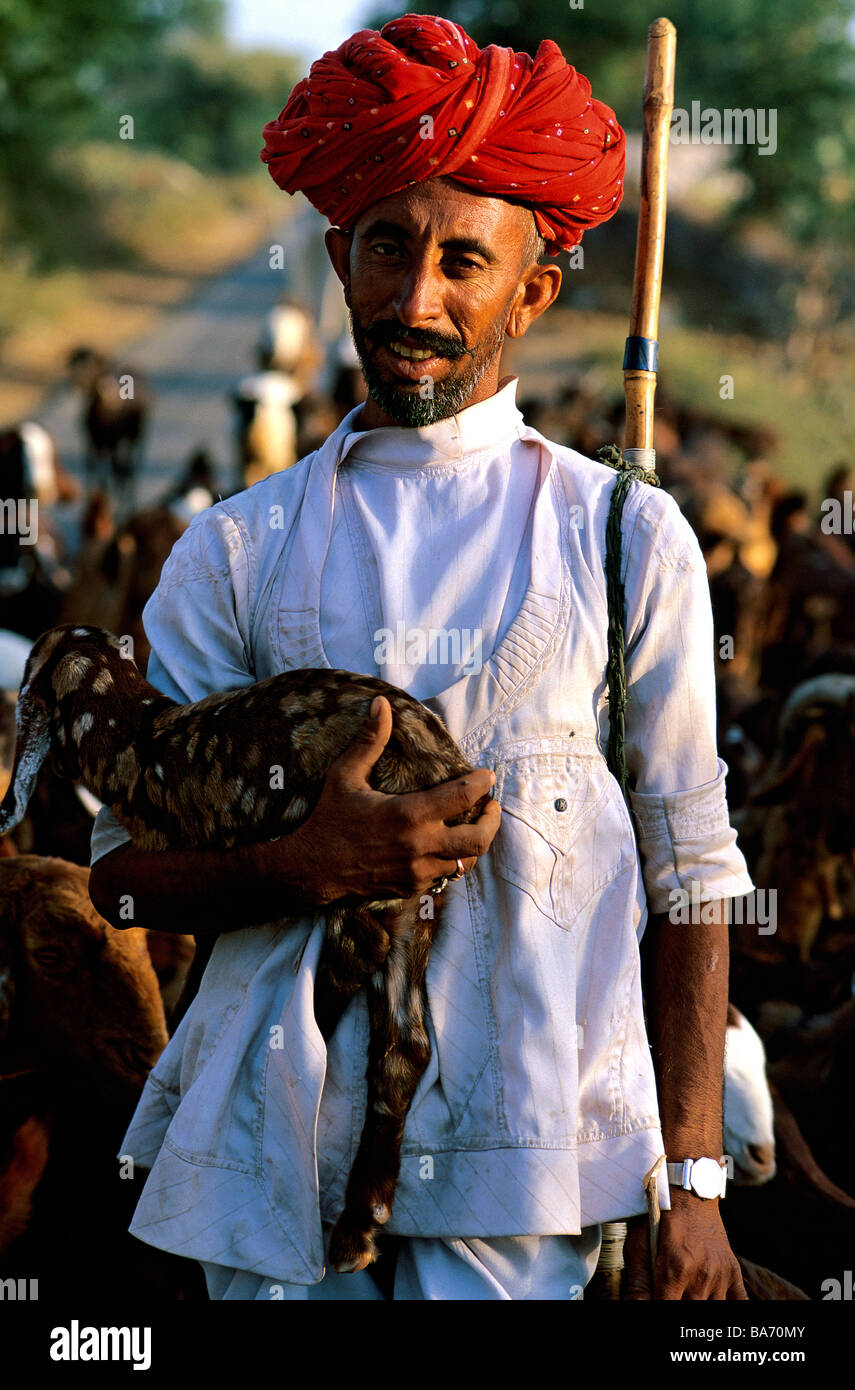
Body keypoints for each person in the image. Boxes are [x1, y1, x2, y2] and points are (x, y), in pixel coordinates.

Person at [89, 14, 755, 1300]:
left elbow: (691, 870)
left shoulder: (624, 539)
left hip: (533, 1171)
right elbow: (118, 881)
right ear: (339, 254)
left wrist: (696, 1180)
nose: (416, 300)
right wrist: (299, 866)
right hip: (278, 1166)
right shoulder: (239, 551)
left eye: (465, 261)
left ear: (535, 288)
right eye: (387, 248)